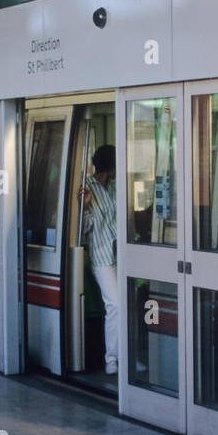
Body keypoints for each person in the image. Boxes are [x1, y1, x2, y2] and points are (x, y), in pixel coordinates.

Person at [79, 144, 119, 375]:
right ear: (108, 167)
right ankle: (111, 359)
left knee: (127, 305)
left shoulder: (113, 187)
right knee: (114, 305)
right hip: (102, 257)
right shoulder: (87, 188)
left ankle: (125, 354)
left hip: (119, 253)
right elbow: (84, 228)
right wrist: (84, 207)